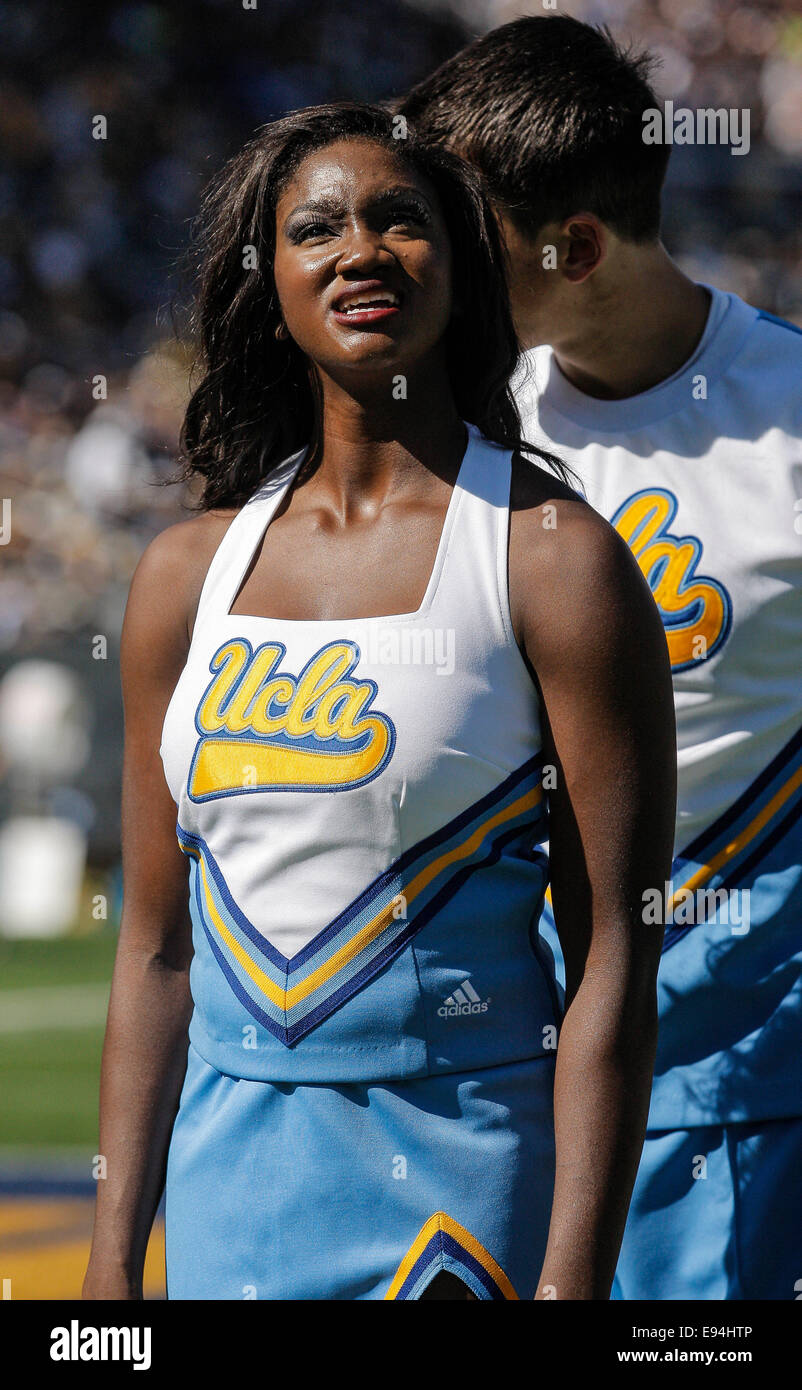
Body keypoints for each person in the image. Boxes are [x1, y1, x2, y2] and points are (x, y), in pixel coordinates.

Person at [82, 102, 675, 1302]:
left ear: (457, 267)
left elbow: (613, 948)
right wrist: (107, 1276)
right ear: (274, 281)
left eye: (401, 220)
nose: (360, 250)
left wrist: (573, 1286)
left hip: (464, 1191)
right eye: (317, 229)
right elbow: (154, 953)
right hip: (230, 1195)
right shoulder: (183, 576)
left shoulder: (552, 558)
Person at [399, 15, 802, 1301]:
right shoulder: (450, 429)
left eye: (466, 243)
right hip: (500, 1093)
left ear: (572, 249)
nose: (422, 269)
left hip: (741, 1100)